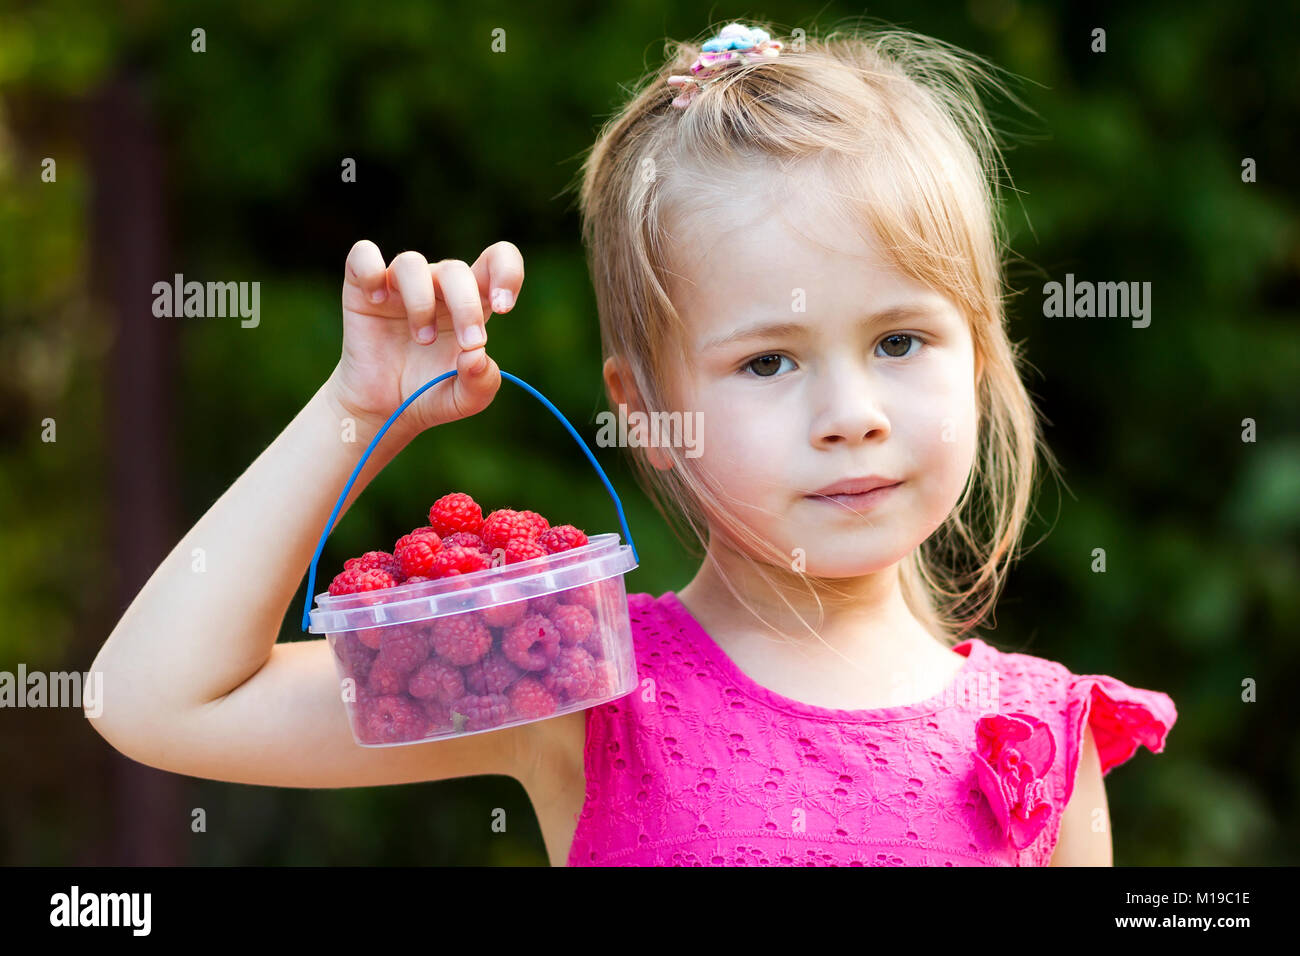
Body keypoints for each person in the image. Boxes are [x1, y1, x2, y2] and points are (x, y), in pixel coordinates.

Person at [85, 20, 1176, 867]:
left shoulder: (1043, 740)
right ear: (645, 411)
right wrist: (356, 413)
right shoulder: (577, 680)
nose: (852, 411)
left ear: (980, 359)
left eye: (899, 338)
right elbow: (158, 700)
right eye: (767, 362)